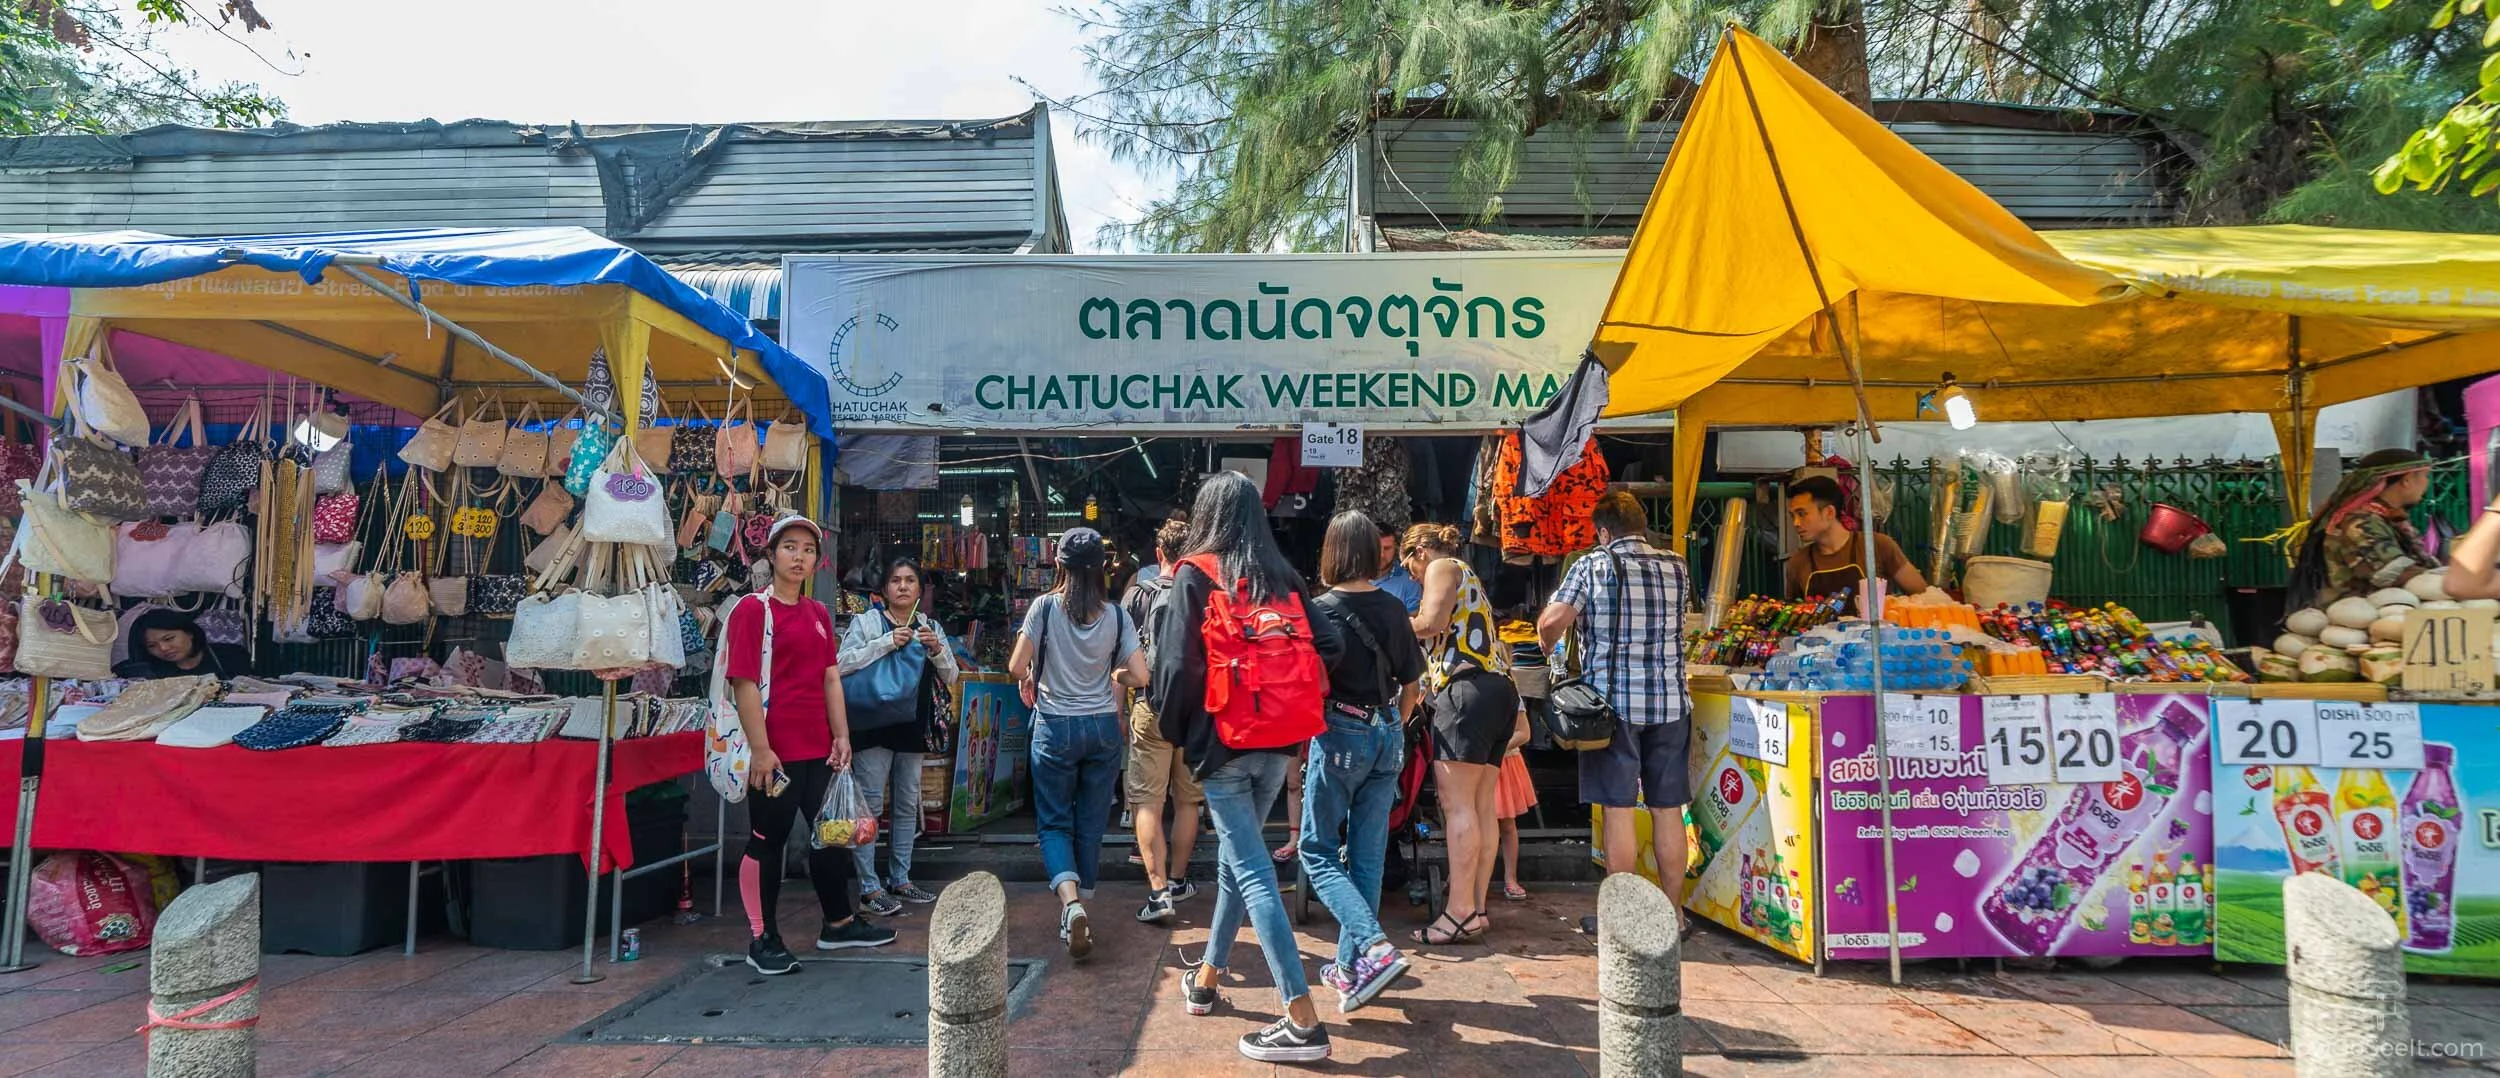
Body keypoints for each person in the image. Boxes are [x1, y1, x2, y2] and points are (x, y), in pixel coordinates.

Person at [1156, 470, 1345, 1063]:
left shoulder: (1194, 575)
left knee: (1255, 873)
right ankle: (1207, 980)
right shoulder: (1283, 577)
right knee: (1238, 867)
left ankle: (1302, 1019)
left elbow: (1175, 670)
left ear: (1205, 516)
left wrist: (1181, 734)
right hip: (1281, 742)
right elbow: (1332, 645)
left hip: (1224, 745)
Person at [726, 515, 896, 975]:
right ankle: (762, 938)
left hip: (819, 750)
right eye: (789, 547)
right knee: (767, 840)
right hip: (774, 754)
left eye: (807, 549)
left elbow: (830, 679)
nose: (798, 557)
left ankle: (838, 923)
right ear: (771, 554)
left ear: (818, 561)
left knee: (833, 835)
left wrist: (841, 735)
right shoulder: (752, 611)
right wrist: (761, 750)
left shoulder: (818, 614)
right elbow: (743, 683)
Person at [1538, 492, 1696, 936]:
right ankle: (1673, 914)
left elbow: (1552, 621)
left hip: (1614, 707)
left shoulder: (1594, 564)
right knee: (1668, 808)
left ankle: (1622, 919)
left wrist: (1548, 647)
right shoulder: (1677, 566)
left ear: (1604, 532)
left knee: (1619, 808)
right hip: (1671, 703)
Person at [1008, 526, 1149, 962]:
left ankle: (1070, 906)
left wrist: (1031, 675)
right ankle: (1080, 905)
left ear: (1060, 564)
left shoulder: (1044, 607)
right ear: (1102, 568)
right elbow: (1141, 676)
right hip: (1102, 727)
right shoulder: (1117, 617)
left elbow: (1015, 666)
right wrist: (1113, 674)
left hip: (1055, 727)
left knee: (1054, 823)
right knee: (1091, 823)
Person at [1302, 510, 1422, 1014]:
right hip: (1387, 730)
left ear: (1330, 553)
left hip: (1340, 732)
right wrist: (1391, 723)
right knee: (1367, 857)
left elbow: (1307, 687)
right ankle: (1350, 971)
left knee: (1316, 850)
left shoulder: (1319, 611)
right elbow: (1412, 686)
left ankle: (1373, 947)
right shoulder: (1394, 607)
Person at [1402, 522, 1516, 946]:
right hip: (1498, 691)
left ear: (1419, 552)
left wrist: (1391, 623)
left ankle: (1460, 912)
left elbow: (1430, 622)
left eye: (1409, 569)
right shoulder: (1469, 576)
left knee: (1457, 806)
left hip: (1465, 691)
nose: (1415, 578)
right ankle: (1477, 909)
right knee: (1482, 807)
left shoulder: (1442, 567)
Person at [837, 555, 959, 917]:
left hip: (912, 726)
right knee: (871, 807)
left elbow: (952, 676)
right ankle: (869, 887)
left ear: (920, 589)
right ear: (884, 589)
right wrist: (886, 642)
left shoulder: (929, 626)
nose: (903, 586)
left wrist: (937, 650)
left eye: (910, 580)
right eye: (896, 580)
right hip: (871, 726)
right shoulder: (867, 622)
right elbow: (841, 664)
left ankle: (901, 879)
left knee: (906, 804)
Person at [1124, 517, 1202, 925]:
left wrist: (1119, 704)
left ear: (1159, 554)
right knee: (1188, 800)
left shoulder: (1138, 595)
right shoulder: (1207, 594)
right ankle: (1178, 880)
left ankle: (1158, 893)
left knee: (1148, 802)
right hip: (1194, 712)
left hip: (1149, 705)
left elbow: (1119, 656)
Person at [2290, 448, 2435, 610]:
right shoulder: (2360, 522)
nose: (2427, 483)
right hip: (2350, 616)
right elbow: (2395, 574)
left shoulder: (2385, 518)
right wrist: (2449, 579)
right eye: (2425, 476)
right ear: (2406, 480)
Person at [1783, 475, 1927, 600]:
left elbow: (1922, 594)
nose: (1796, 523)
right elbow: (1794, 612)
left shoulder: (1877, 545)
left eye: (1802, 514)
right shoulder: (1797, 563)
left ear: (1829, 512)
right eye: (1793, 516)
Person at [113, 609, 248, 679]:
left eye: (168, 639)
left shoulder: (232, 656)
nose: (163, 648)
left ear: (189, 632)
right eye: (152, 646)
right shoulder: (140, 671)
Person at [1494, 713, 1537, 903]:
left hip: (1504, 762)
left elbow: (1524, 733)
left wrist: (1495, 749)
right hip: (1475, 763)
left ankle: (1511, 877)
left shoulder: (1512, 697)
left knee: (1507, 824)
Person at [1373, 524, 1423, 614]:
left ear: (1396, 548)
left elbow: (1414, 619)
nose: (1381, 555)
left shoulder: (1410, 582)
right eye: (1376, 548)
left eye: (1387, 548)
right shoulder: (1352, 576)